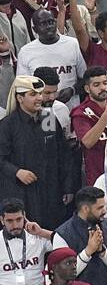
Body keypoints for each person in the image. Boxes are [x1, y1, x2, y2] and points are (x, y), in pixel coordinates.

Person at [0, 76, 76, 228]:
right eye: (33, 94)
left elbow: (63, 155)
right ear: (20, 98)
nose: (39, 98)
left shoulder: (48, 118)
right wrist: (17, 172)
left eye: (40, 94)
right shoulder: (8, 125)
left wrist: (68, 187)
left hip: (50, 191)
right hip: (22, 193)